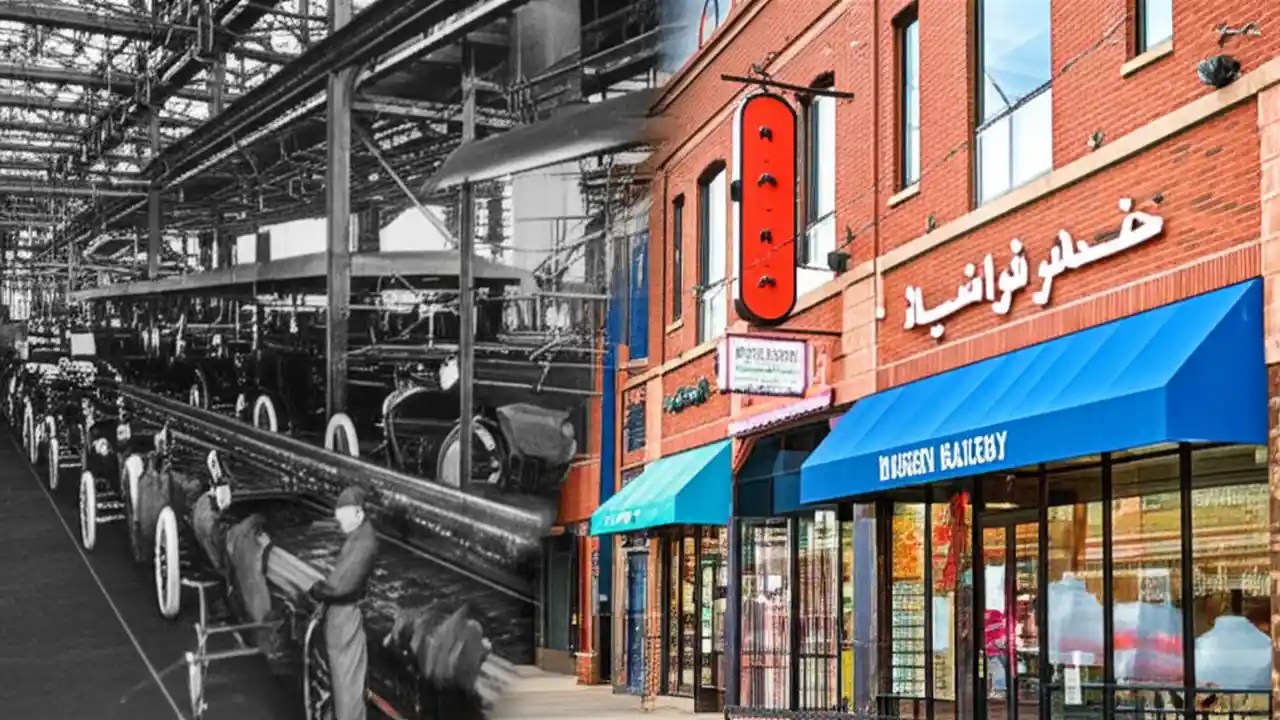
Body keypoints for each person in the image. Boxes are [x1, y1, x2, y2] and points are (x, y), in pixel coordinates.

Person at [308, 485, 379, 720]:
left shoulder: (364, 544)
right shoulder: (357, 537)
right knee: (343, 684)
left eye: (343, 520)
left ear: (358, 514)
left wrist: (319, 590)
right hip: (340, 622)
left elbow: (343, 587)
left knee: (348, 687)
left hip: (345, 621)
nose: (341, 526)